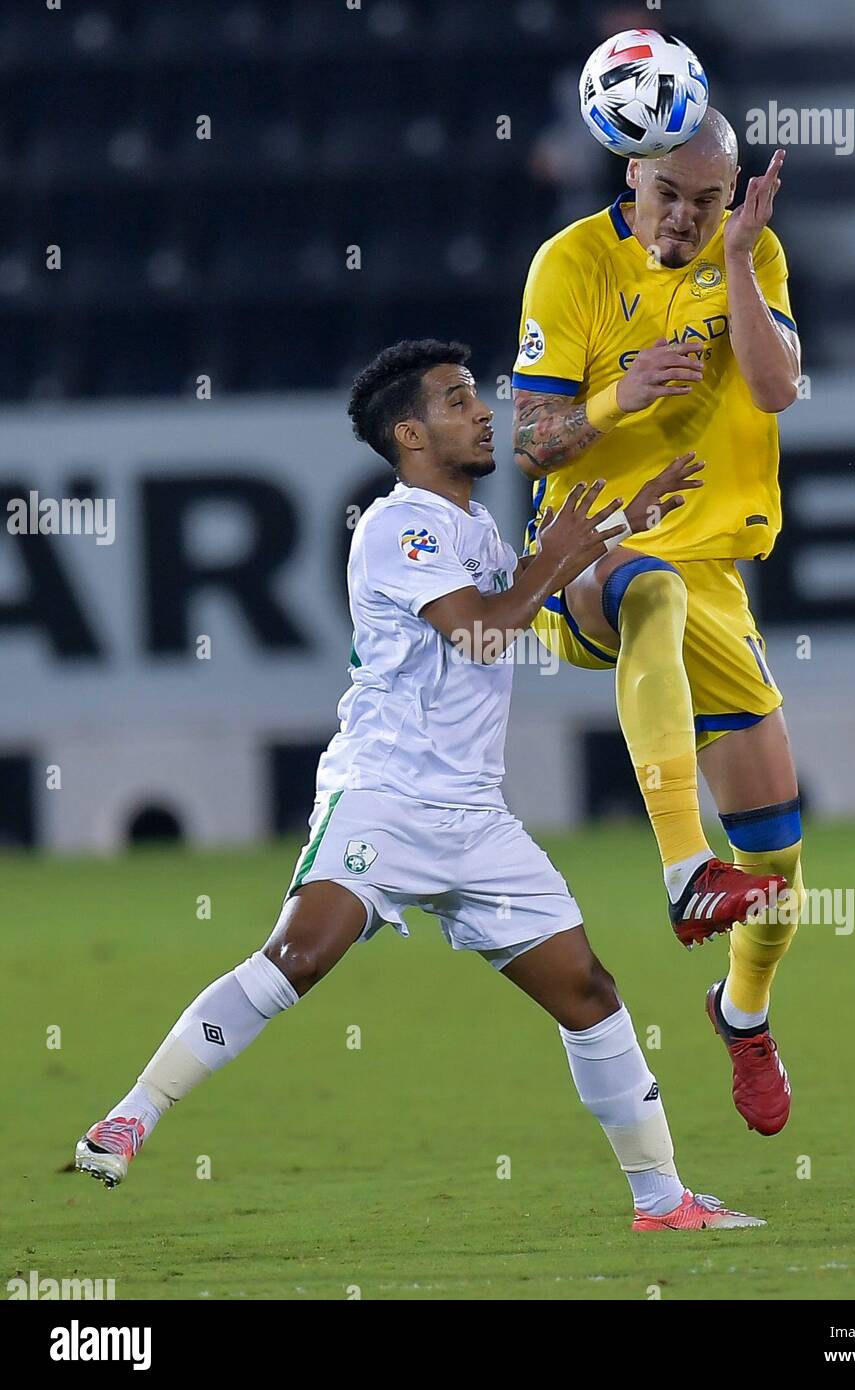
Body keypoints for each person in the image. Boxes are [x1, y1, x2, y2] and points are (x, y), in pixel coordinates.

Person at [75, 339, 774, 1231]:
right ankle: (131, 1116)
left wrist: (615, 525)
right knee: (298, 958)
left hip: (476, 817)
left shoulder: (474, 530)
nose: (482, 412)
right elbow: (480, 632)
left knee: (588, 994)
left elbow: (523, 595)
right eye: (456, 400)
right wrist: (561, 555)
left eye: (476, 396)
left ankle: (663, 1200)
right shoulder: (397, 525)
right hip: (386, 795)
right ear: (408, 434)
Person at [512, 109, 803, 1137]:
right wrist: (616, 398)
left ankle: (742, 1014)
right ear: (631, 176)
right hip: (586, 543)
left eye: (706, 201)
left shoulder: (752, 253)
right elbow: (530, 442)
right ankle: (685, 869)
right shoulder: (569, 262)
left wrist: (737, 258)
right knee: (649, 592)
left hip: (709, 565)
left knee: (777, 871)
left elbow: (775, 388)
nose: (682, 216)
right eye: (667, 194)